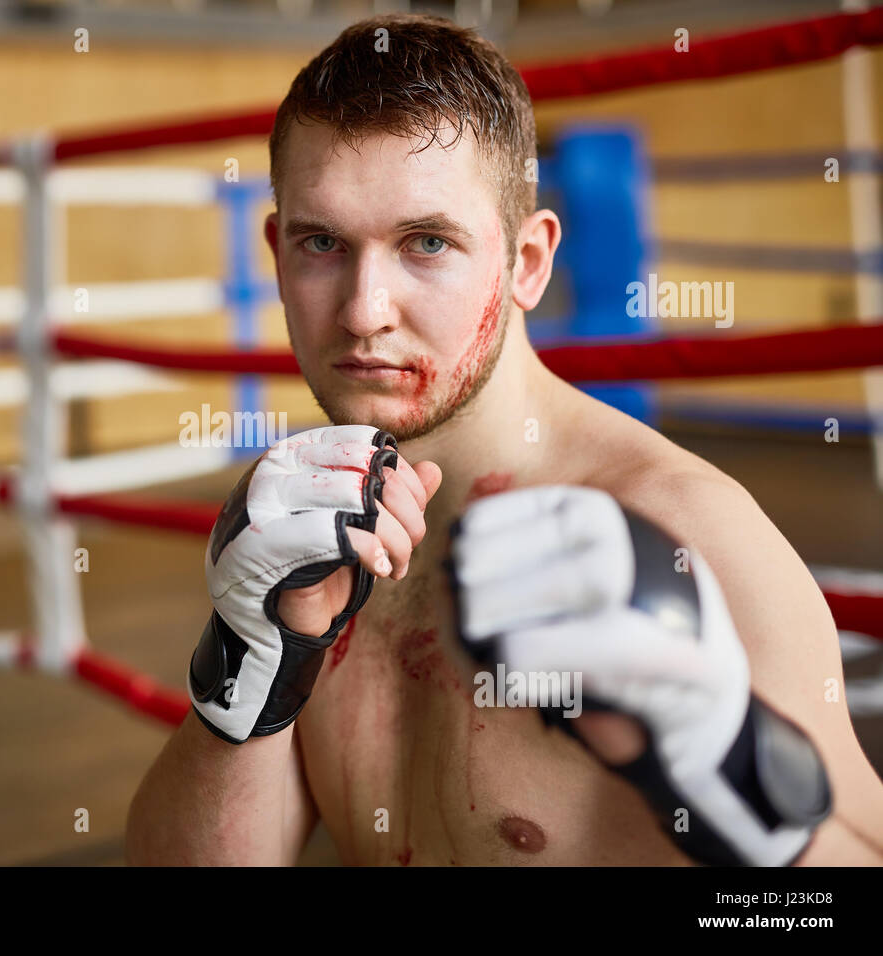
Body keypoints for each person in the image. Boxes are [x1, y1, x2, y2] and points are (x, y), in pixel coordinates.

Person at [125, 13, 883, 865]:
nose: (364, 309)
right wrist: (244, 668)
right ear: (277, 251)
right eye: (324, 243)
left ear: (527, 262)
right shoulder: (319, 529)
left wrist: (725, 762)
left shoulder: (689, 536)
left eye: (427, 243)